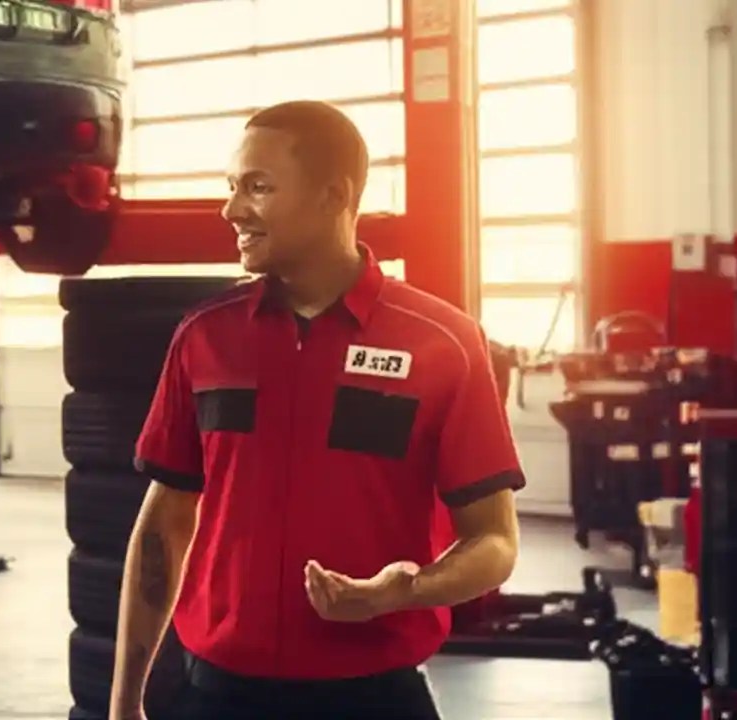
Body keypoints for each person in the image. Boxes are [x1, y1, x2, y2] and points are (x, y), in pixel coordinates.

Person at [108, 100, 524, 720]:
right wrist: (122, 703)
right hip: (215, 695)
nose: (231, 209)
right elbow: (164, 523)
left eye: (258, 186)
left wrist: (406, 590)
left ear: (334, 195)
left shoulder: (443, 343)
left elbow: (494, 539)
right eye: (232, 187)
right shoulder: (205, 337)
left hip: (373, 697)